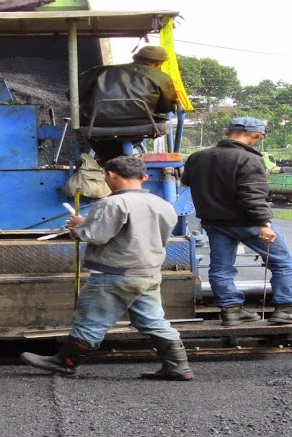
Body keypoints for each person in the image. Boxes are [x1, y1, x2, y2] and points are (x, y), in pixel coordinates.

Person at [21, 155, 193, 381]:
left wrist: (79, 228)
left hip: (114, 275)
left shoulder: (112, 203)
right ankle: (178, 366)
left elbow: (97, 236)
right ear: (143, 177)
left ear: (110, 175)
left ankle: (66, 363)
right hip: (147, 273)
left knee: (91, 321)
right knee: (153, 321)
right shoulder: (162, 204)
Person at [182, 117, 292, 326]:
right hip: (247, 222)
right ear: (257, 135)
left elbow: (187, 181)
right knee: (283, 263)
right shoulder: (249, 159)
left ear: (227, 132)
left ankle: (231, 311)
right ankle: (287, 308)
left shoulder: (197, 157)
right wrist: (264, 224)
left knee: (221, 269)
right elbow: (252, 195)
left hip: (214, 223)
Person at [75, 45, 178, 162]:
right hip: (141, 122)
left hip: (97, 122)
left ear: (136, 58)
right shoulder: (162, 77)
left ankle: (106, 158)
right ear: (158, 63)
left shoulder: (99, 71)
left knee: (93, 134)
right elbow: (167, 107)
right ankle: (117, 158)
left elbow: (72, 96)